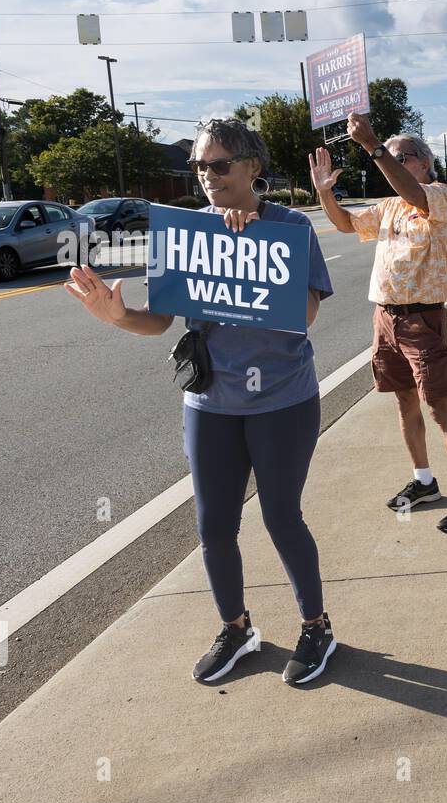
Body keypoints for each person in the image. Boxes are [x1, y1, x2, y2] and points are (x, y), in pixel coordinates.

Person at [65, 117, 337, 686]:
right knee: (214, 525)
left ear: (252, 167)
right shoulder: (185, 232)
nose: (206, 175)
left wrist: (254, 243)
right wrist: (117, 317)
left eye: (219, 164)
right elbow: (158, 322)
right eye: (198, 165)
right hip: (210, 401)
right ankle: (237, 629)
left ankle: (317, 628)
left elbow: (305, 316)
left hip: (282, 400)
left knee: (281, 516)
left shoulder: (289, 226)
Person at [310, 113, 447, 533]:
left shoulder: (440, 196)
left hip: (422, 318)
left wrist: (372, 146)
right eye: (386, 158)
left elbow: (414, 194)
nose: (387, 164)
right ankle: (424, 481)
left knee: (440, 406)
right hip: (385, 316)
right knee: (404, 401)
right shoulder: (390, 205)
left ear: (423, 162)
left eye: (397, 158)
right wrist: (323, 194)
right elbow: (344, 224)